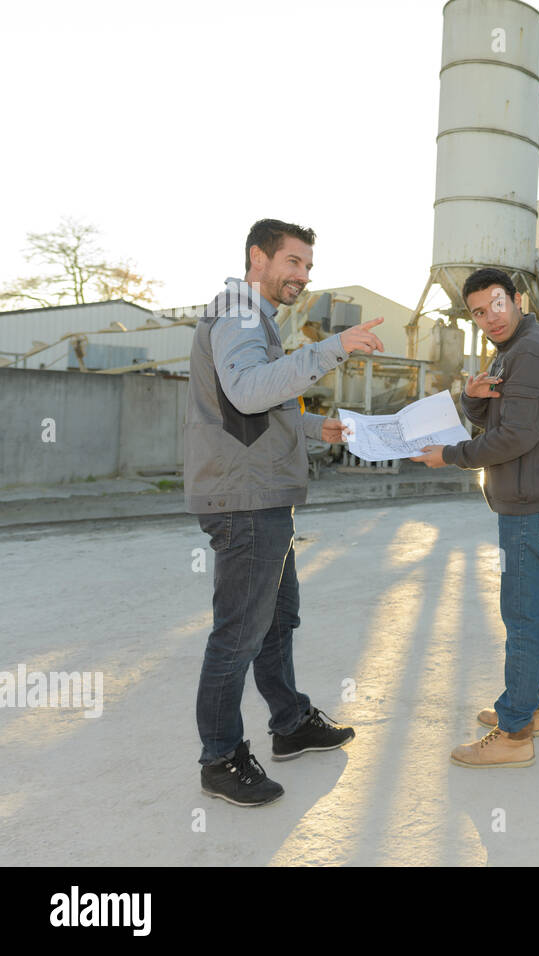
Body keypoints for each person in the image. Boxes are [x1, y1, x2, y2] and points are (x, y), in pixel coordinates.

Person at [186, 218, 385, 806]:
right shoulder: (240, 312)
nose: (301, 276)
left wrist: (308, 426)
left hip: (261, 494)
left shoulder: (253, 316)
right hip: (244, 499)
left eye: (307, 267)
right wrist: (332, 349)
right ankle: (220, 757)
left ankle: (290, 723)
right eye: (293, 262)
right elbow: (248, 391)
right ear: (258, 257)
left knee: (276, 618)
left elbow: (245, 405)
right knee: (239, 633)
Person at [413, 267, 539, 769]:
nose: (490, 318)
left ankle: (514, 732)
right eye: (480, 312)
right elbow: (500, 419)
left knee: (523, 615)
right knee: (535, 609)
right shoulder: (512, 351)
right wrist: (472, 398)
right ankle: (529, 708)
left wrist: (452, 455)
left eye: (497, 304)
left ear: (519, 299)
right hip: (533, 498)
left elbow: (516, 438)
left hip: (531, 503)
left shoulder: (529, 352)